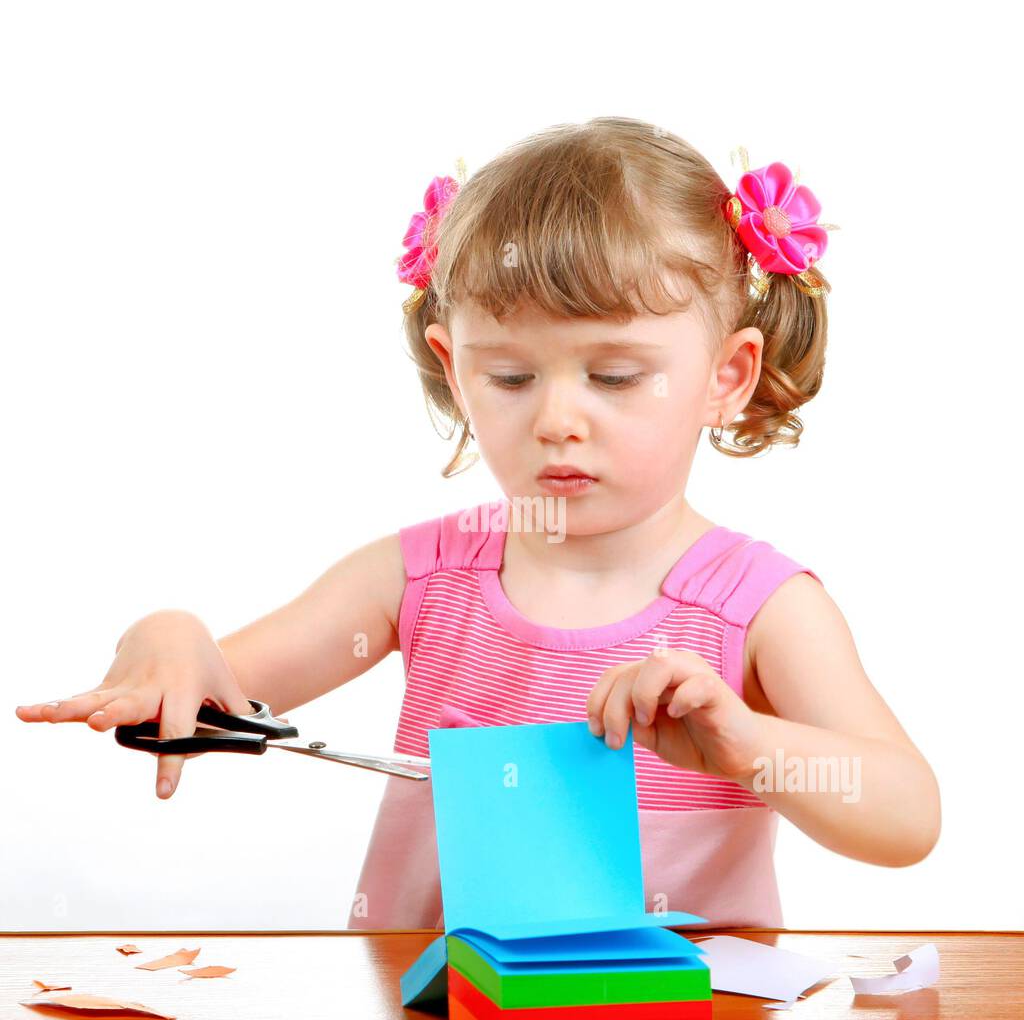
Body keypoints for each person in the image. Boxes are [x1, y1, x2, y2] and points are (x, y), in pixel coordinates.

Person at [16, 117, 940, 932]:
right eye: (510, 377)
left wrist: (745, 744)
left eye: (615, 376)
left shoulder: (760, 607)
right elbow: (221, 682)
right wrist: (169, 638)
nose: (557, 419)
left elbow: (907, 817)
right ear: (454, 369)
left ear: (726, 376)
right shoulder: (415, 578)